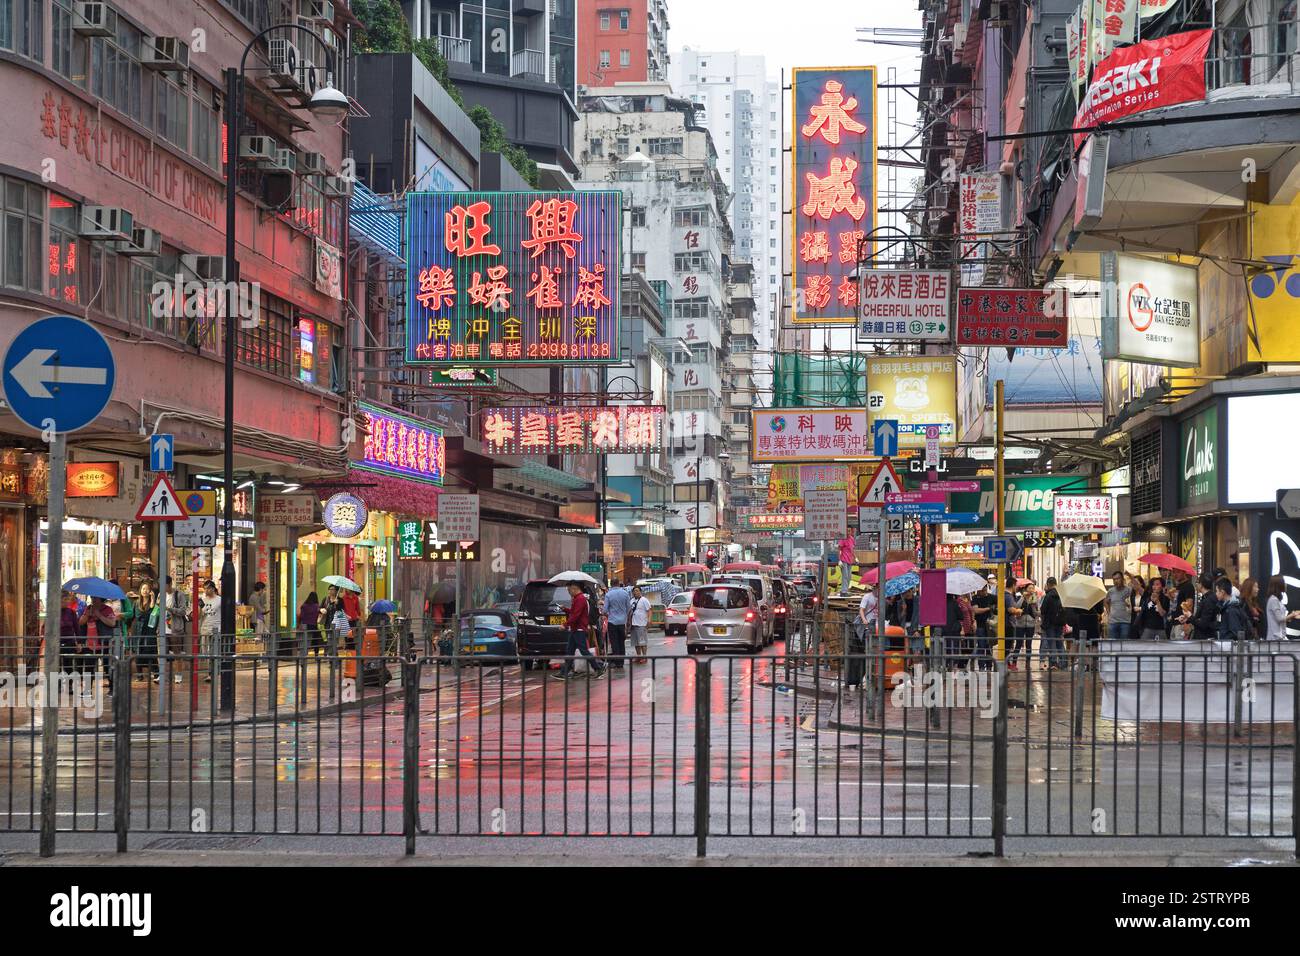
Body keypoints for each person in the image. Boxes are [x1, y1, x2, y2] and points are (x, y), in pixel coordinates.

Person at [556, 582, 605, 680]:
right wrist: (565, 609)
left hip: (579, 629)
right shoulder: (579, 599)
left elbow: (575, 615)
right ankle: (564, 672)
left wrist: (565, 625)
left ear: (575, 588)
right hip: (576, 629)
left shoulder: (580, 599)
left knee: (584, 651)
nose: (569, 592)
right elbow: (574, 612)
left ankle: (598, 668)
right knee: (570, 651)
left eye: (569, 590)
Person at [79, 596, 120, 693]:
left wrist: (100, 615)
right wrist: (86, 615)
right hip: (90, 644)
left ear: (100, 599)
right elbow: (81, 622)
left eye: (95, 598)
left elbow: (112, 623)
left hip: (104, 643)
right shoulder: (88, 608)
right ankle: (87, 690)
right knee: (89, 668)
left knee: (108, 666)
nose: (93, 600)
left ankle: (112, 689)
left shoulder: (107, 609)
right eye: (92, 598)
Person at [135, 581, 161, 682]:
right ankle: (139, 674)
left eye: (147, 589)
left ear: (151, 591)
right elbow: (134, 616)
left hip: (150, 631)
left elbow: (153, 616)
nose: (145, 591)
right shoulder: (136, 603)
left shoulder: (154, 604)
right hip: (138, 631)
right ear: (140, 591)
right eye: (143, 589)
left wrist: (153, 601)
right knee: (138, 651)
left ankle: (156, 673)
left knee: (151, 651)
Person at [602, 580, 630, 670]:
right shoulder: (625, 593)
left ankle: (617, 663)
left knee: (614, 643)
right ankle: (621, 662)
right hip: (622, 623)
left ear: (611, 584)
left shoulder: (608, 595)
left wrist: (606, 614)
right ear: (619, 584)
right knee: (621, 642)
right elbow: (629, 608)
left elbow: (605, 610)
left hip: (612, 622)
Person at [1039, 577, 1067, 669]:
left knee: (1051, 643)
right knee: (1059, 642)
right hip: (1060, 622)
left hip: (1050, 623)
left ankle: (1054, 663)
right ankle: (1063, 663)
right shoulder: (1062, 594)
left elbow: (1043, 610)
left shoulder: (1048, 595)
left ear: (1048, 584)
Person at [198, 580, 221, 682]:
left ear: (213, 588)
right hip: (205, 629)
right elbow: (199, 616)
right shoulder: (202, 600)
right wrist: (199, 608)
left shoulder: (219, 600)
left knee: (213, 652)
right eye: (205, 588)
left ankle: (213, 673)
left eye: (208, 588)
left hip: (216, 629)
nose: (206, 590)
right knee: (206, 653)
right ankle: (211, 672)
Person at [1264, 576, 1300, 641]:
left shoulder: (1276, 600)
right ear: (1279, 585)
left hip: (1279, 637)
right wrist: (1293, 615)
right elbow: (1280, 619)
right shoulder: (1273, 600)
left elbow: (1281, 619)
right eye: (1284, 582)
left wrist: (1291, 616)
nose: (1286, 585)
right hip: (1275, 638)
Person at [1216, 577, 1252, 642]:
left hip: (1230, 648)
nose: (1216, 593)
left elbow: (1235, 633)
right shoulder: (1230, 607)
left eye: (1217, 591)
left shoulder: (1231, 610)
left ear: (1222, 592)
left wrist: (1223, 639)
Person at [1103, 572, 1132, 642]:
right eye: (1114, 579)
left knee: (1124, 644)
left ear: (1122, 579)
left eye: (1118, 578)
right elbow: (1105, 602)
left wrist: (1130, 576)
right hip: (1113, 622)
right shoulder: (1111, 591)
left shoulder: (1128, 590)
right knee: (1113, 644)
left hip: (1125, 621)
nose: (1116, 581)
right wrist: (1109, 612)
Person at [1190, 574, 1219, 641]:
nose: (1196, 585)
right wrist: (1188, 618)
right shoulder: (1207, 598)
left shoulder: (1209, 600)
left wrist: (1190, 617)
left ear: (1201, 584)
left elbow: (1204, 624)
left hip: (1205, 639)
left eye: (1197, 582)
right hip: (1204, 637)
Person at [629, 585, 651, 664]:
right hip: (633, 624)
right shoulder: (631, 601)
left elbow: (649, 610)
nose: (635, 592)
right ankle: (638, 656)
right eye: (634, 591)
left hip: (641, 623)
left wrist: (649, 620)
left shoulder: (644, 600)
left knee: (642, 642)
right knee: (636, 642)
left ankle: (644, 657)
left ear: (640, 592)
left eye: (637, 591)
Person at [297, 591, 320, 655]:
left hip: (305, 625)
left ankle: (304, 654)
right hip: (314, 625)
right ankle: (316, 654)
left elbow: (301, 616)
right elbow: (318, 616)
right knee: (316, 640)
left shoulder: (304, 606)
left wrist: (299, 624)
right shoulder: (317, 606)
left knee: (305, 641)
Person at [250, 580, 270, 649]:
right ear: (260, 589)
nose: (264, 591)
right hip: (257, 619)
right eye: (263, 589)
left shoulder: (257, 596)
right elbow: (260, 609)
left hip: (260, 618)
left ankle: (262, 651)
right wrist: (267, 610)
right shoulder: (254, 597)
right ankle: (259, 652)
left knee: (265, 633)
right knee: (259, 636)